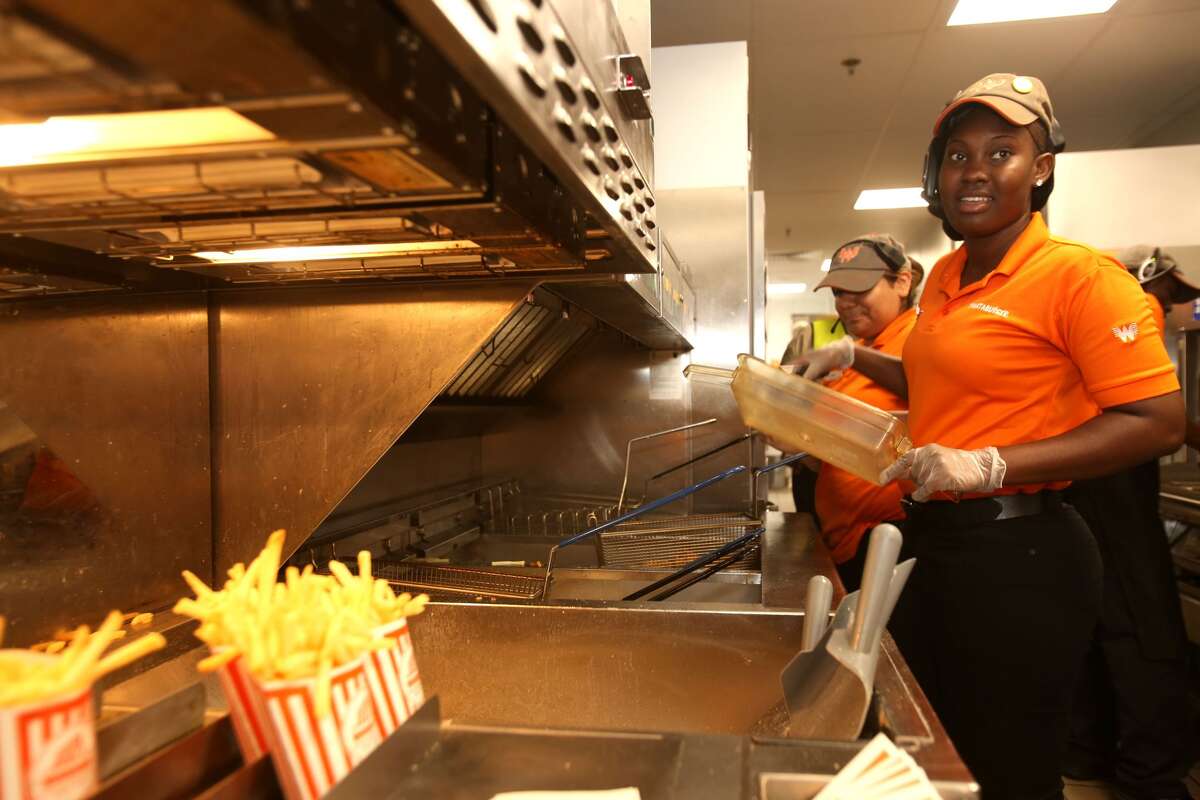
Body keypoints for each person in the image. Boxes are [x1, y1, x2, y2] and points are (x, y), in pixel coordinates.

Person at [790, 74, 1184, 800]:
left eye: (1000, 152)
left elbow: (1157, 422)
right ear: (935, 176)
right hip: (939, 546)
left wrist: (991, 464)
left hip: (1023, 556)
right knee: (936, 757)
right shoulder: (944, 275)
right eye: (957, 156)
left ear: (1040, 170)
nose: (973, 172)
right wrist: (851, 357)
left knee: (1007, 771)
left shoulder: (1078, 277)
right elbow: (933, 382)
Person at [1062, 245, 1197, 800]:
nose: (1170, 311)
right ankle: (1152, 775)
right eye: (1171, 297)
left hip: (1089, 486)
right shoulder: (1128, 302)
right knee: (1145, 626)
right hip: (1110, 488)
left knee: (1102, 621)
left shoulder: (1088, 304)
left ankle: (1092, 755)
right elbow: (1154, 419)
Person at [806, 234, 922, 591]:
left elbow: (928, 391)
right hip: (849, 538)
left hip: (892, 537)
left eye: (860, 289)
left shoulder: (921, 339)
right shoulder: (855, 349)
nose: (846, 303)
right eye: (839, 292)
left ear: (902, 282)